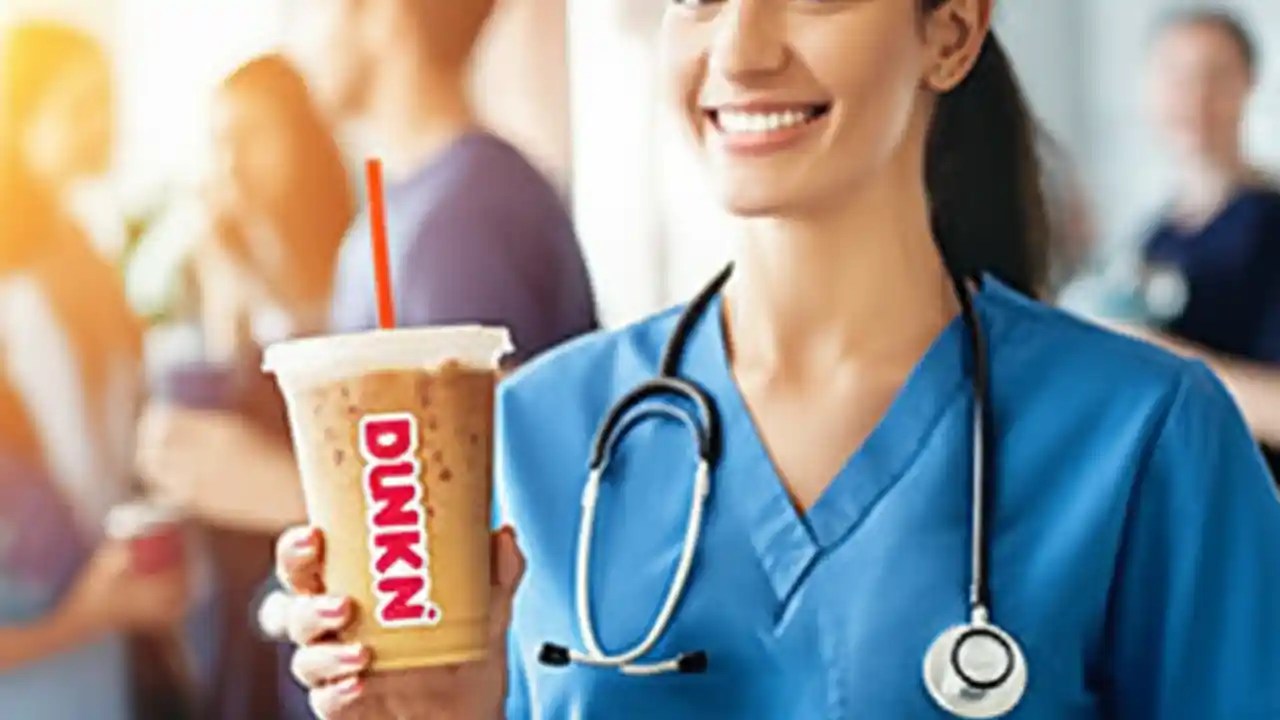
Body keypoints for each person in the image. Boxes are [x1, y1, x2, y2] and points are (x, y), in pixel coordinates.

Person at [271, 0, 1280, 718]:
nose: (741, 48)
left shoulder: (1143, 438)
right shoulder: (536, 431)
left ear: (951, 31)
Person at [134, 54, 354, 719]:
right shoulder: (216, 257)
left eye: (252, 136)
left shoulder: (351, 257)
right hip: (238, 582)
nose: (231, 161)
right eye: (219, 141)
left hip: (322, 551)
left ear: (301, 136)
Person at [0, 22, 188, 719]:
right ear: (20, 121)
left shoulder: (86, 253)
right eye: (77, 107)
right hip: (52, 631)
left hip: (104, 633)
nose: (101, 124)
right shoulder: (18, 285)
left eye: (104, 101)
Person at [1129, 10, 1280, 479]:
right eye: (1175, 76)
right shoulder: (1154, 239)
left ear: (1249, 85)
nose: (1194, 97)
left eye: (1214, 76)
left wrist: (1156, 357)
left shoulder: (1269, 225)